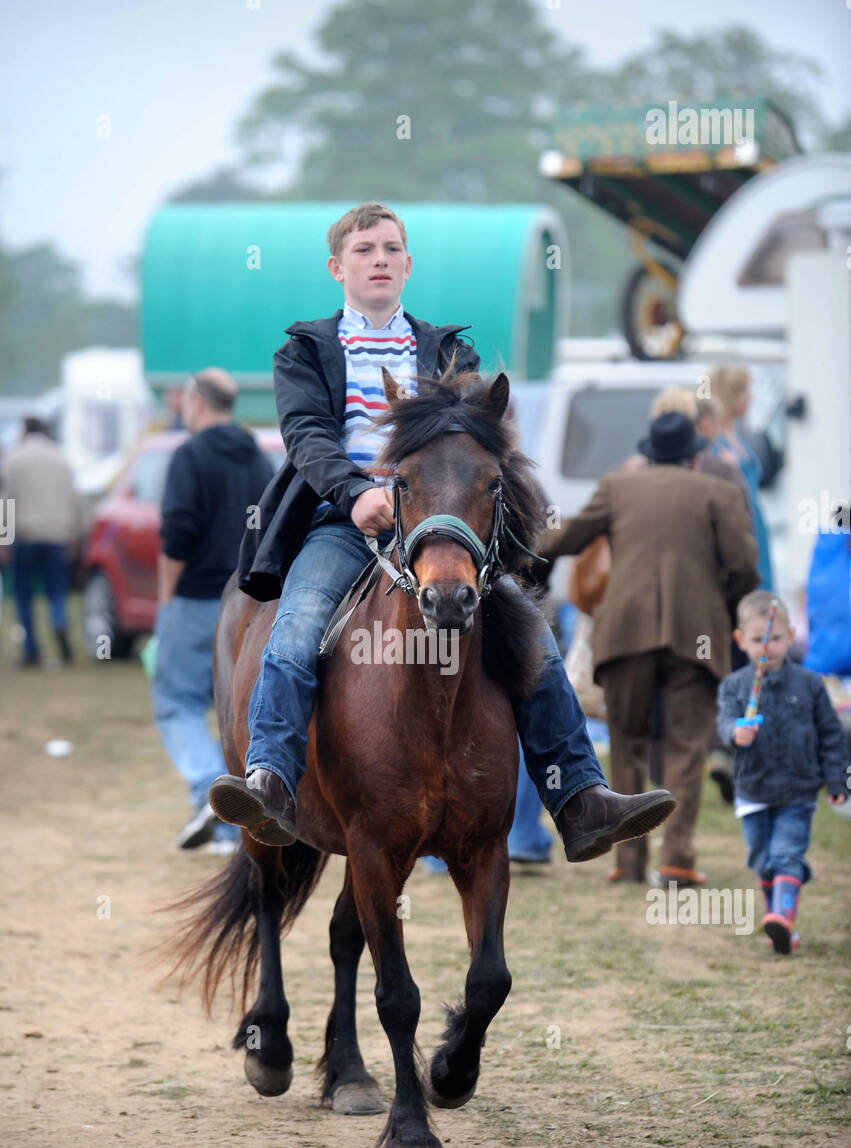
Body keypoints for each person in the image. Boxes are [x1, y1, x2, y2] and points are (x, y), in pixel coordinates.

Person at [210, 201, 676, 859]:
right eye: (365, 249)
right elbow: (306, 437)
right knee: (294, 628)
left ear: (407, 265)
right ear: (336, 267)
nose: (379, 259)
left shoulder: (448, 348)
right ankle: (271, 784)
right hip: (343, 522)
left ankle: (580, 798)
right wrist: (353, 495)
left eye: (391, 249)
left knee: (532, 634)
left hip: (438, 525)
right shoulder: (305, 349)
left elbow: (476, 445)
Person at [541, 412, 759, 887]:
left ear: (650, 452)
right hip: (696, 635)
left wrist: (514, 549)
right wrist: (724, 605)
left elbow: (567, 539)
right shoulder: (720, 493)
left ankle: (630, 862)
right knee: (686, 746)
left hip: (626, 631)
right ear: (695, 457)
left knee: (626, 739)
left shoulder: (619, 486)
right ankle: (676, 860)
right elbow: (744, 566)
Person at [153, 368, 275, 852]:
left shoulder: (187, 455)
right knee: (236, 710)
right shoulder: (259, 458)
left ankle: (209, 789)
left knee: (176, 701)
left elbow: (177, 532)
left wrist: (166, 598)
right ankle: (229, 818)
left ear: (195, 403)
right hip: (249, 603)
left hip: (197, 598)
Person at [716, 591, 847, 954]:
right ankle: (781, 923)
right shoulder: (734, 687)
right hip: (753, 790)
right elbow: (724, 724)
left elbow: (831, 736)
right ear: (741, 641)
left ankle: (782, 917)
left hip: (798, 790)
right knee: (762, 859)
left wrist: (837, 778)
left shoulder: (809, 685)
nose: (767, 647)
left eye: (775, 638)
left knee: (787, 852)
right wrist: (734, 732)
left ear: (790, 638)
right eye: (758, 639)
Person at [0, 418, 82, 666]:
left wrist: (2, 538)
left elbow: (5, 501)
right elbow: (74, 498)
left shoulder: (14, 459)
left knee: (23, 594)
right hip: (57, 535)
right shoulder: (61, 458)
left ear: (24, 430)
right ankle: (59, 622)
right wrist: (76, 534)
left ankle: (31, 649)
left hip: (26, 535)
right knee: (56, 589)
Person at [709, 365, 773, 590]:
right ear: (731, 395)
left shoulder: (738, 434)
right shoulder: (713, 441)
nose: (751, 398)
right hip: (737, 526)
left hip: (756, 524)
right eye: (745, 392)